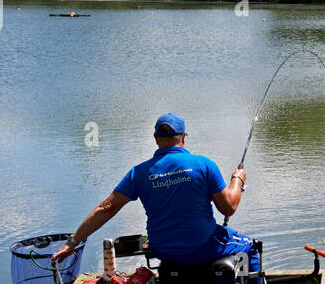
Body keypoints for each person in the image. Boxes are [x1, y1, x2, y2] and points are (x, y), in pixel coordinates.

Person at [52, 114, 252, 268]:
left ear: (156, 138)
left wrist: (72, 242)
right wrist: (237, 179)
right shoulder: (203, 165)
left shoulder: (139, 173)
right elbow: (229, 207)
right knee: (251, 247)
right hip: (201, 245)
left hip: (162, 249)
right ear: (184, 137)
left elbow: (107, 208)